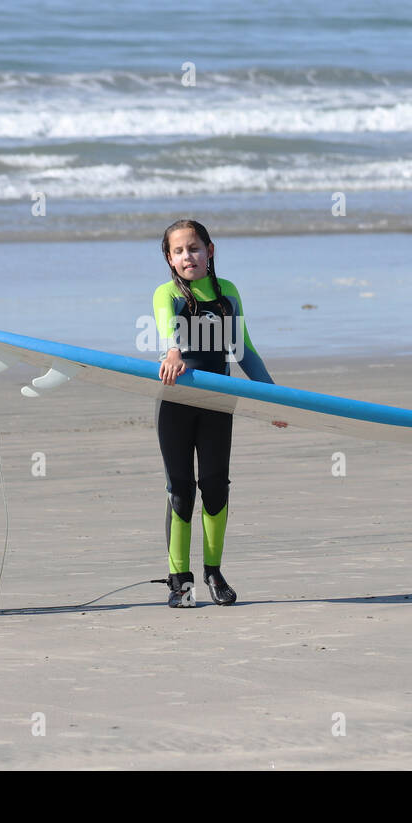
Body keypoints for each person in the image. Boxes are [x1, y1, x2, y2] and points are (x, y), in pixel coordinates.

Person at [153, 219, 283, 608]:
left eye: (194, 248)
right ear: (169, 259)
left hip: (218, 403)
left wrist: (273, 398)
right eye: (178, 251)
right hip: (175, 402)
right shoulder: (167, 294)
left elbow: (243, 350)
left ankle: (213, 571)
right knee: (181, 490)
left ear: (210, 250)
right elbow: (166, 329)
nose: (187, 256)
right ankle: (180, 581)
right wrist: (172, 351)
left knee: (215, 486)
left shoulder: (227, 294)